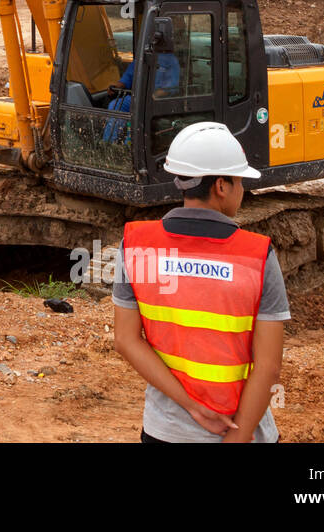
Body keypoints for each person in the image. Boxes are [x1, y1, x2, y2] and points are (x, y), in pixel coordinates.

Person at [112, 122, 288, 443]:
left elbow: (126, 340)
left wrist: (191, 405)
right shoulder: (257, 255)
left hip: (166, 429)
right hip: (242, 431)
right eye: (239, 182)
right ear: (221, 186)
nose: (242, 191)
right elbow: (269, 368)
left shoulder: (136, 245)